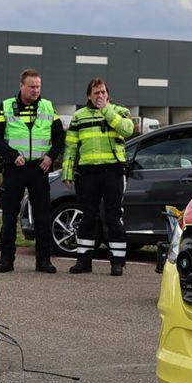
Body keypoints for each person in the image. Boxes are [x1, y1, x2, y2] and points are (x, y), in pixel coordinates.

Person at [0, 69, 64, 273]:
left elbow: (59, 137)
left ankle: (43, 261)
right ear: (21, 86)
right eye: (31, 86)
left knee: (42, 215)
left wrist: (51, 157)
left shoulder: (48, 106)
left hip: (39, 169)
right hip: (15, 169)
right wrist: (12, 155)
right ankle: (6, 260)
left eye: (38, 86)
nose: (35, 90)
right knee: (9, 215)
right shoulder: (6, 106)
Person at [61, 78, 134, 276]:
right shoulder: (79, 116)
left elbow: (127, 130)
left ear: (108, 94)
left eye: (102, 92)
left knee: (113, 216)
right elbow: (71, 147)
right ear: (88, 97)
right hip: (88, 173)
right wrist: (67, 172)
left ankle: (117, 261)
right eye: (96, 93)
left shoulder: (119, 111)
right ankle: (83, 260)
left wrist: (107, 111)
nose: (99, 96)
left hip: (113, 171)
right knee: (88, 216)